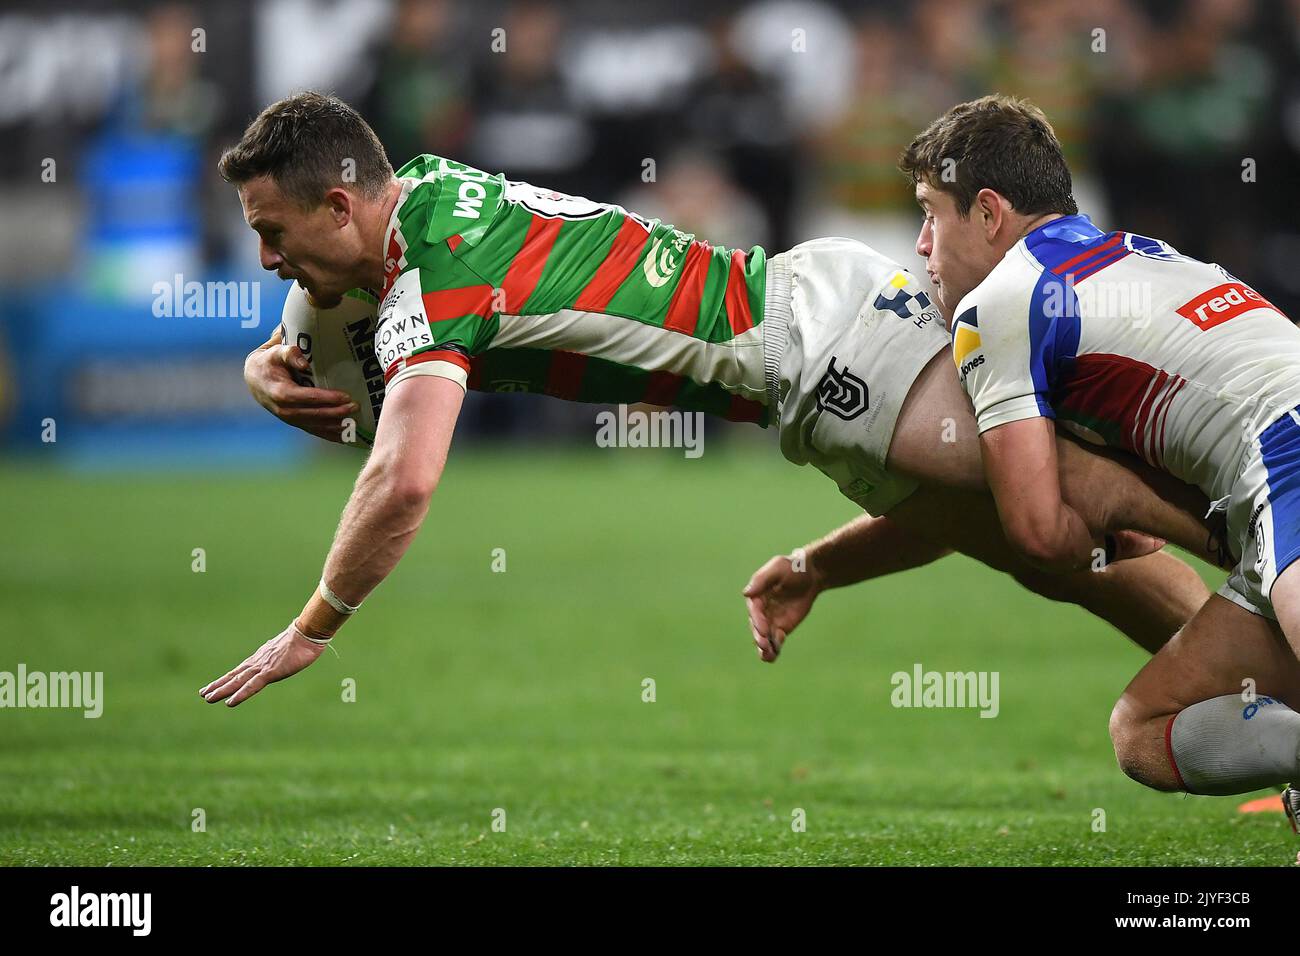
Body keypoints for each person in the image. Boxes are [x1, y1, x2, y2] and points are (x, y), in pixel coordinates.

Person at [203, 91, 1217, 717]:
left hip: (809, 336)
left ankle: (1264, 524)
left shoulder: (436, 269)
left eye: (271, 230)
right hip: (799, 369)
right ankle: (1269, 700)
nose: (266, 257)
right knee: (1053, 549)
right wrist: (271, 359)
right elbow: (316, 300)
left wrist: (317, 623)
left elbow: (406, 477)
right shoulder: (413, 194)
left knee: (1072, 502)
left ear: (339, 203)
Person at [902, 93, 1300, 828]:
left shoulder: (999, 306)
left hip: (1288, 456)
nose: (923, 245)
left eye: (932, 212)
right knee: (1146, 732)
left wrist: (1114, 523)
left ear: (988, 212)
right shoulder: (1134, 254)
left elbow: (1035, 532)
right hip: (1271, 486)